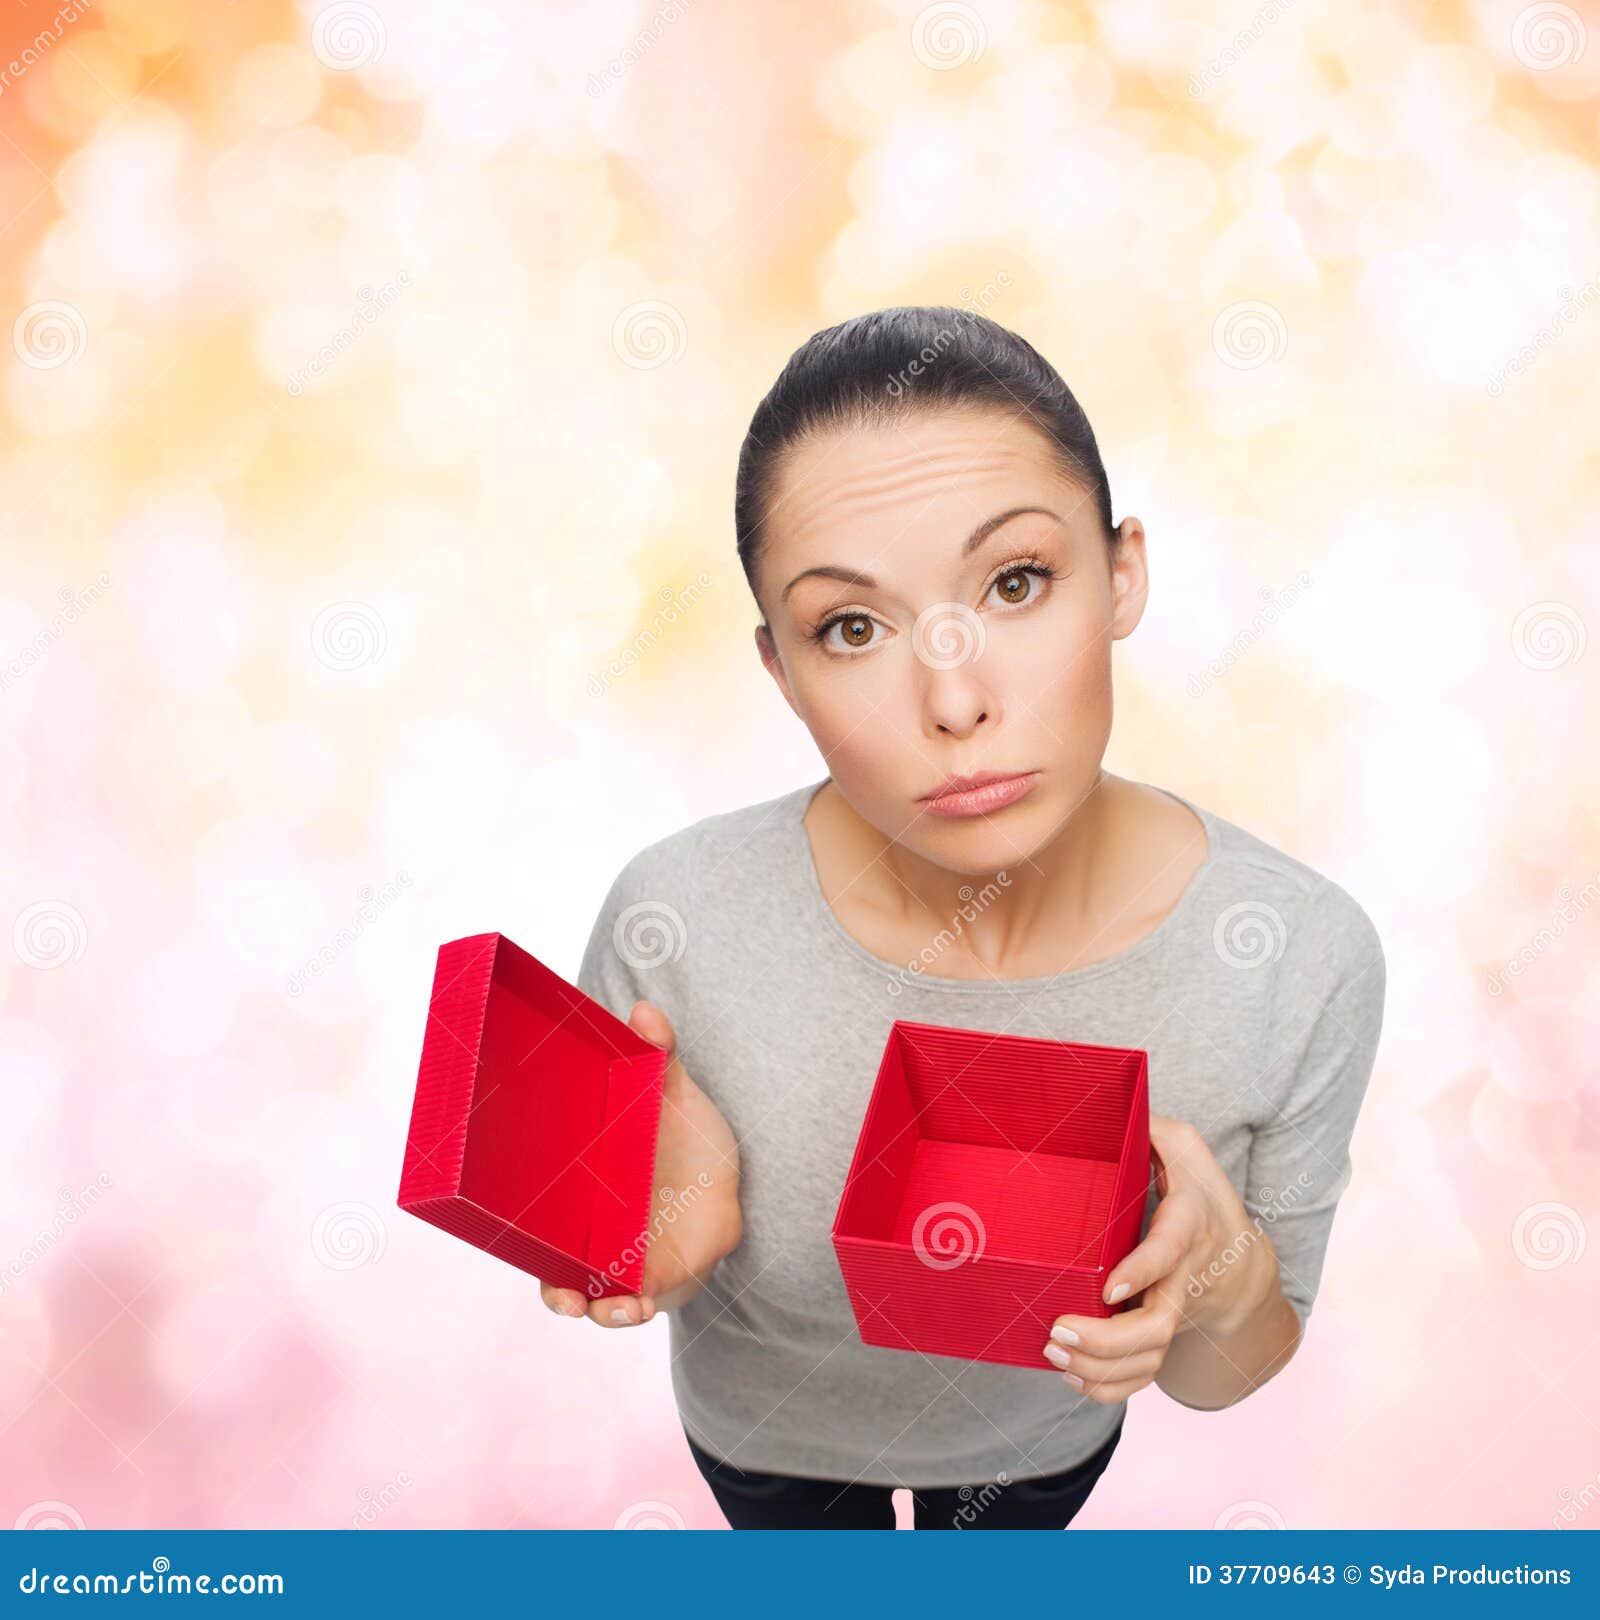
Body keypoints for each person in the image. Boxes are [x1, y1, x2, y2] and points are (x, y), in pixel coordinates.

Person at [546, 307, 1387, 1530]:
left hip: (1036, 1450)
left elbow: (1227, 1374)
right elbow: (586, 1231)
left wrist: (1218, 1280)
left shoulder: (1296, 956)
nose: (952, 698)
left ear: (1123, 576)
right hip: (760, 1437)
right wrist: (640, 1233)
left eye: (1014, 582)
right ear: (781, 669)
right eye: (850, 627)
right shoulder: (673, 920)